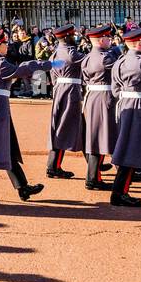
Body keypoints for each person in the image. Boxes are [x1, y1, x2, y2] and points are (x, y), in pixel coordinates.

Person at [0, 30, 53, 205]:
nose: (7, 46)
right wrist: (42, 65)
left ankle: (22, 186)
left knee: (7, 148)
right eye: (4, 43)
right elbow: (21, 70)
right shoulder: (0, 64)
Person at [108, 25, 141, 208]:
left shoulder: (119, 61)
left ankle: (120, 191)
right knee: (132, 151)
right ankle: (119, 193)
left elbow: (115, 91)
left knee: (128, 149)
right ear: (138, 42)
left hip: (125, 106)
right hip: (140, 107)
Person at [80, 24, 121, 190]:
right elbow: (120, 70)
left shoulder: (88, 57)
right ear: (100, 39)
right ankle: (93, 178)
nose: (109, 40)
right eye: (107, 37)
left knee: (96, 137)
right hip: (104, 97)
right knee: (104, 137)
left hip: (92, 97)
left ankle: (94, 176)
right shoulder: (105, 57)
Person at [46, 24, 88, 177]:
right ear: (67, 37)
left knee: (69, 126)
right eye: (72, 35)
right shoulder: (71, 54)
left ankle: (93, 164)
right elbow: (90, 63)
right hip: (70, 92)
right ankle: (53, 167)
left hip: (59, 90)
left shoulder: (56, 53)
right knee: (63, 128)